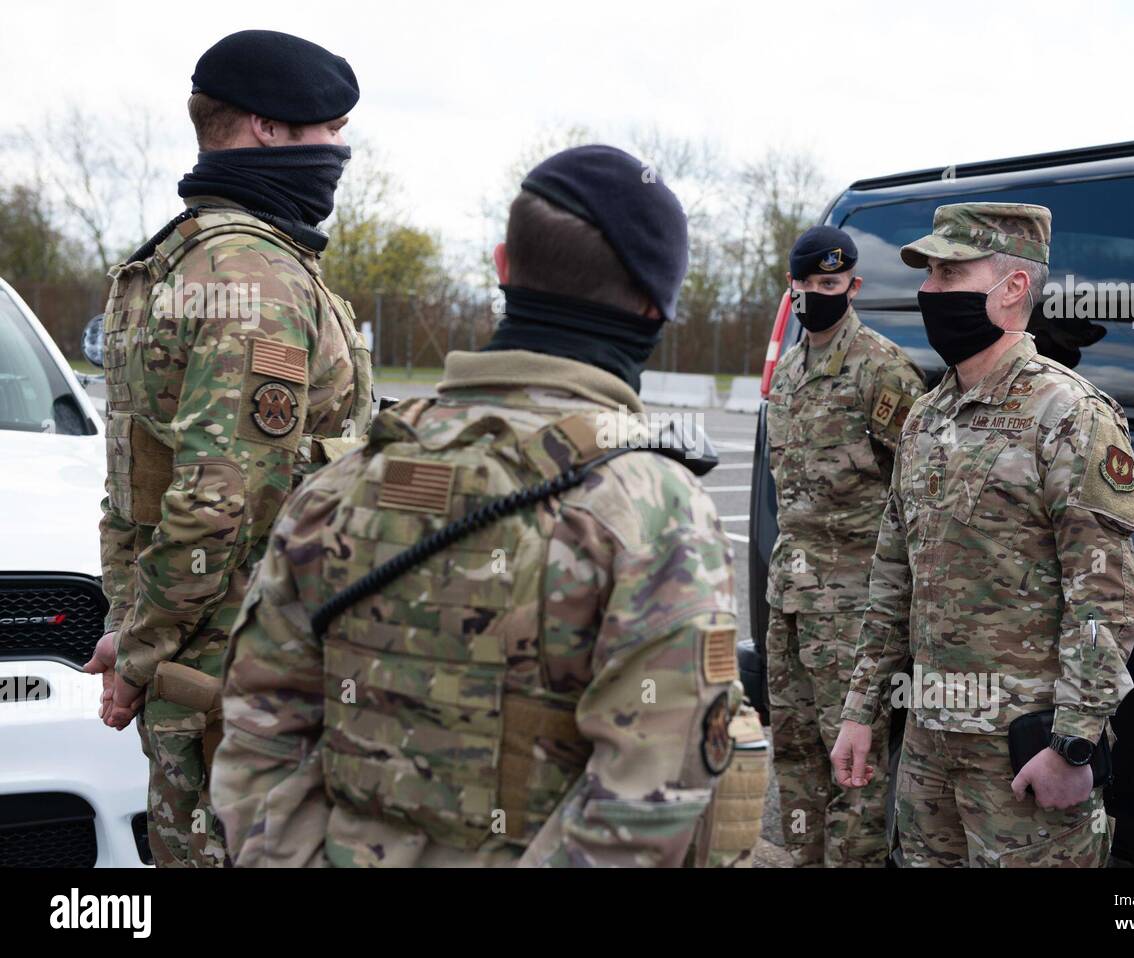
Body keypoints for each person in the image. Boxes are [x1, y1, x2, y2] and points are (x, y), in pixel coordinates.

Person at [211, 144, 752, 867]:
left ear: (501, 266)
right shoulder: (653, 506)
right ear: (657, 306)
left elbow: (257, 726)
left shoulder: (341, 481)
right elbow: (649, 795)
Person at [84, 29, 373, 867]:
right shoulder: (258, 279)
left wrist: (129, 628)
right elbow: (216, 502)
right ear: (267, 129)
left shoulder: (168, 263)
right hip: (244, 677)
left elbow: (132, 484)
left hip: (194, 668)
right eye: (329, 131)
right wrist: (138, 652)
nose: (340, 152)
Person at [830, 202, 1134, 867]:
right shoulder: (924, 416)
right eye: (930, 274)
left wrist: (1075, 745)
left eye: (948, 273)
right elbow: (892, 577)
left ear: (1013, 288)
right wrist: (861, 710)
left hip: (1023, 755)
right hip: (928, 748)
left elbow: (1105, 598)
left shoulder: (1069, 413)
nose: (929, 291)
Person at [764, 226, 925, 867]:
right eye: (809, 285)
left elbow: (916, 489)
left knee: (852, 768)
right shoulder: (790, 366)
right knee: (796, 752)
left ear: (853, 286)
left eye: (832, 285)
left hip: (854, 608)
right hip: (791, 595)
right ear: (792, 286)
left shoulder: (881, 370)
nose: (819, 295)